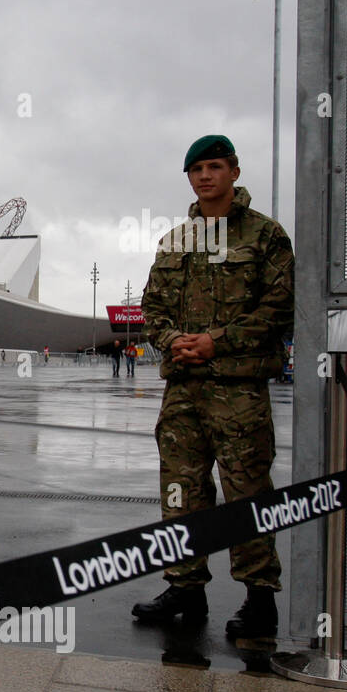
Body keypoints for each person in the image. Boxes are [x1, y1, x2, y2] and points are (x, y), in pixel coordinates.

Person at [131, 135, 294, 639]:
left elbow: (279, 308)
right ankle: (184, 587)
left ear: (235, 172)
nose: (205, 176)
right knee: (181, 490)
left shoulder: (265, 236)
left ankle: (258, 598)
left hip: (238, 390)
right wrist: (173, 339)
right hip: (183, 392)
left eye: (215, 166)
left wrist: (216, 342)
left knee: (246, 490)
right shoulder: (175, 241)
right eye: (197, 168)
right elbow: (151, 306)